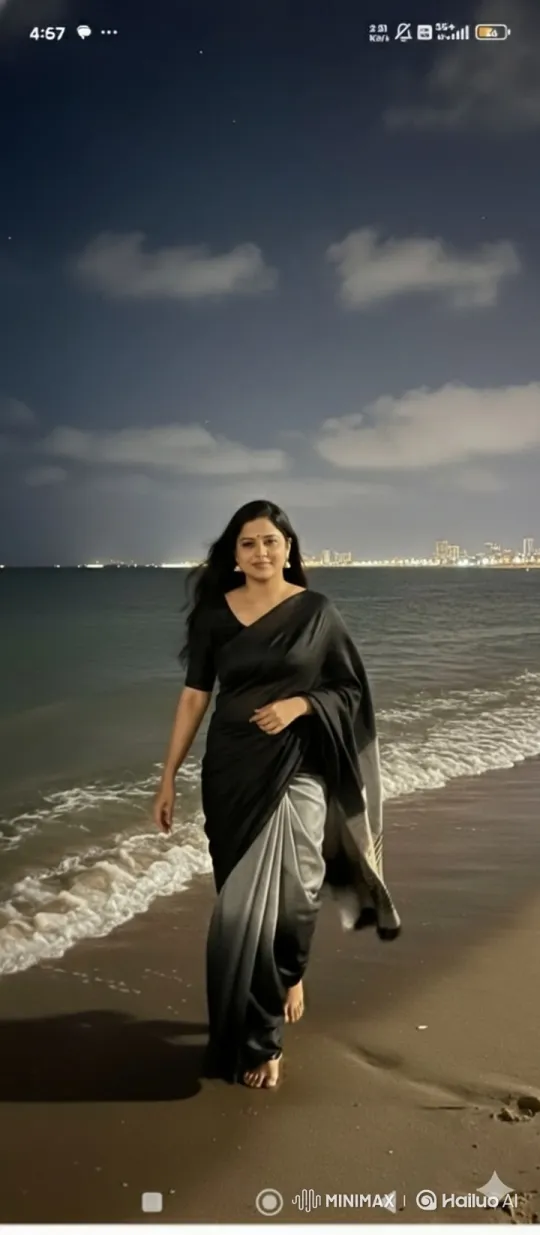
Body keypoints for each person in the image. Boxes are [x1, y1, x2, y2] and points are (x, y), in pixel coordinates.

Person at [153, 499, 400, 1090]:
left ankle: (288, 976)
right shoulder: (213, 615)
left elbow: (350, 692)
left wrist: (301, 704)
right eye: (247, 543)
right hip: (233, 770)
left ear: (288, 547)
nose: (260, 552)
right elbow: (195, 698)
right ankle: (261, 1034)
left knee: (296, 894)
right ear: (233, 555)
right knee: (241, 906)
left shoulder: (317, 612)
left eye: (270, 541)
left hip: (300, 766)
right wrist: (167, 776)